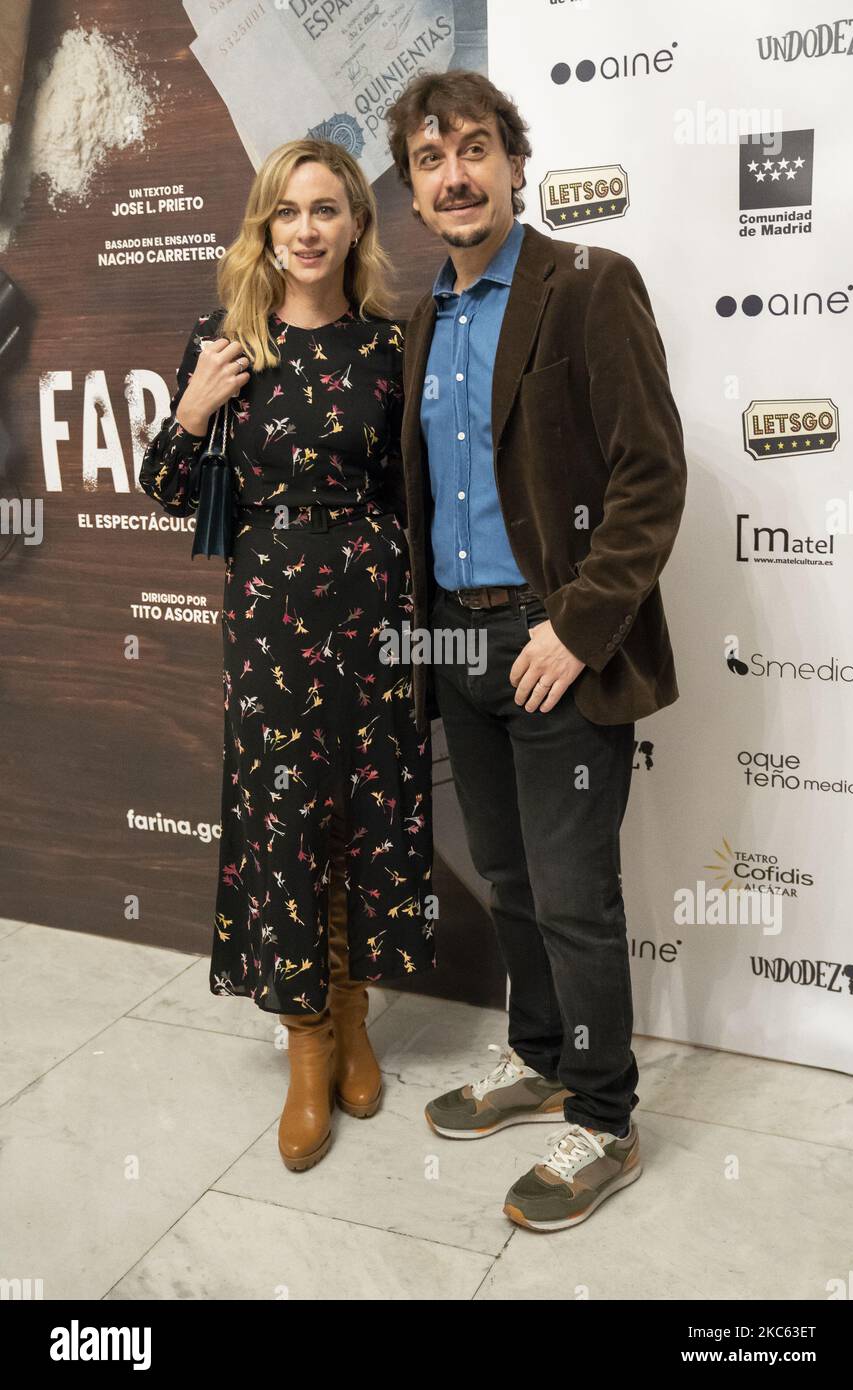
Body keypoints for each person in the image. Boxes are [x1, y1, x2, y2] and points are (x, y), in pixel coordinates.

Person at [385, 71, 687, 1232]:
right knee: (508, 878)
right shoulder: (421, 323)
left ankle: (603, 1117)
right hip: (457, 643)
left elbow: (647, 480)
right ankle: (541, 1055)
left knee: (570, 892)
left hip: (552, 640)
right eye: (429, 158)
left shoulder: (588, 286)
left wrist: (574, 625)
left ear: (515, 163)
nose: (453, 173)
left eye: (472, 148)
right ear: (411, 190)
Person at [138, 139, 435, 1173]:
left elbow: (413, 497)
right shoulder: (223, 341)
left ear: (356, 223)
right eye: (285, 213)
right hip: (270, 620)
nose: (305, 229)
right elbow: (170, 488)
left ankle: (353, 1014)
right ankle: (306, 1040)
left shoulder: (391, 350)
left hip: (373, 611)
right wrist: (194, 406)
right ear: (263, 230)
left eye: (325, 209)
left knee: (364, 812)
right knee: (286, 817)